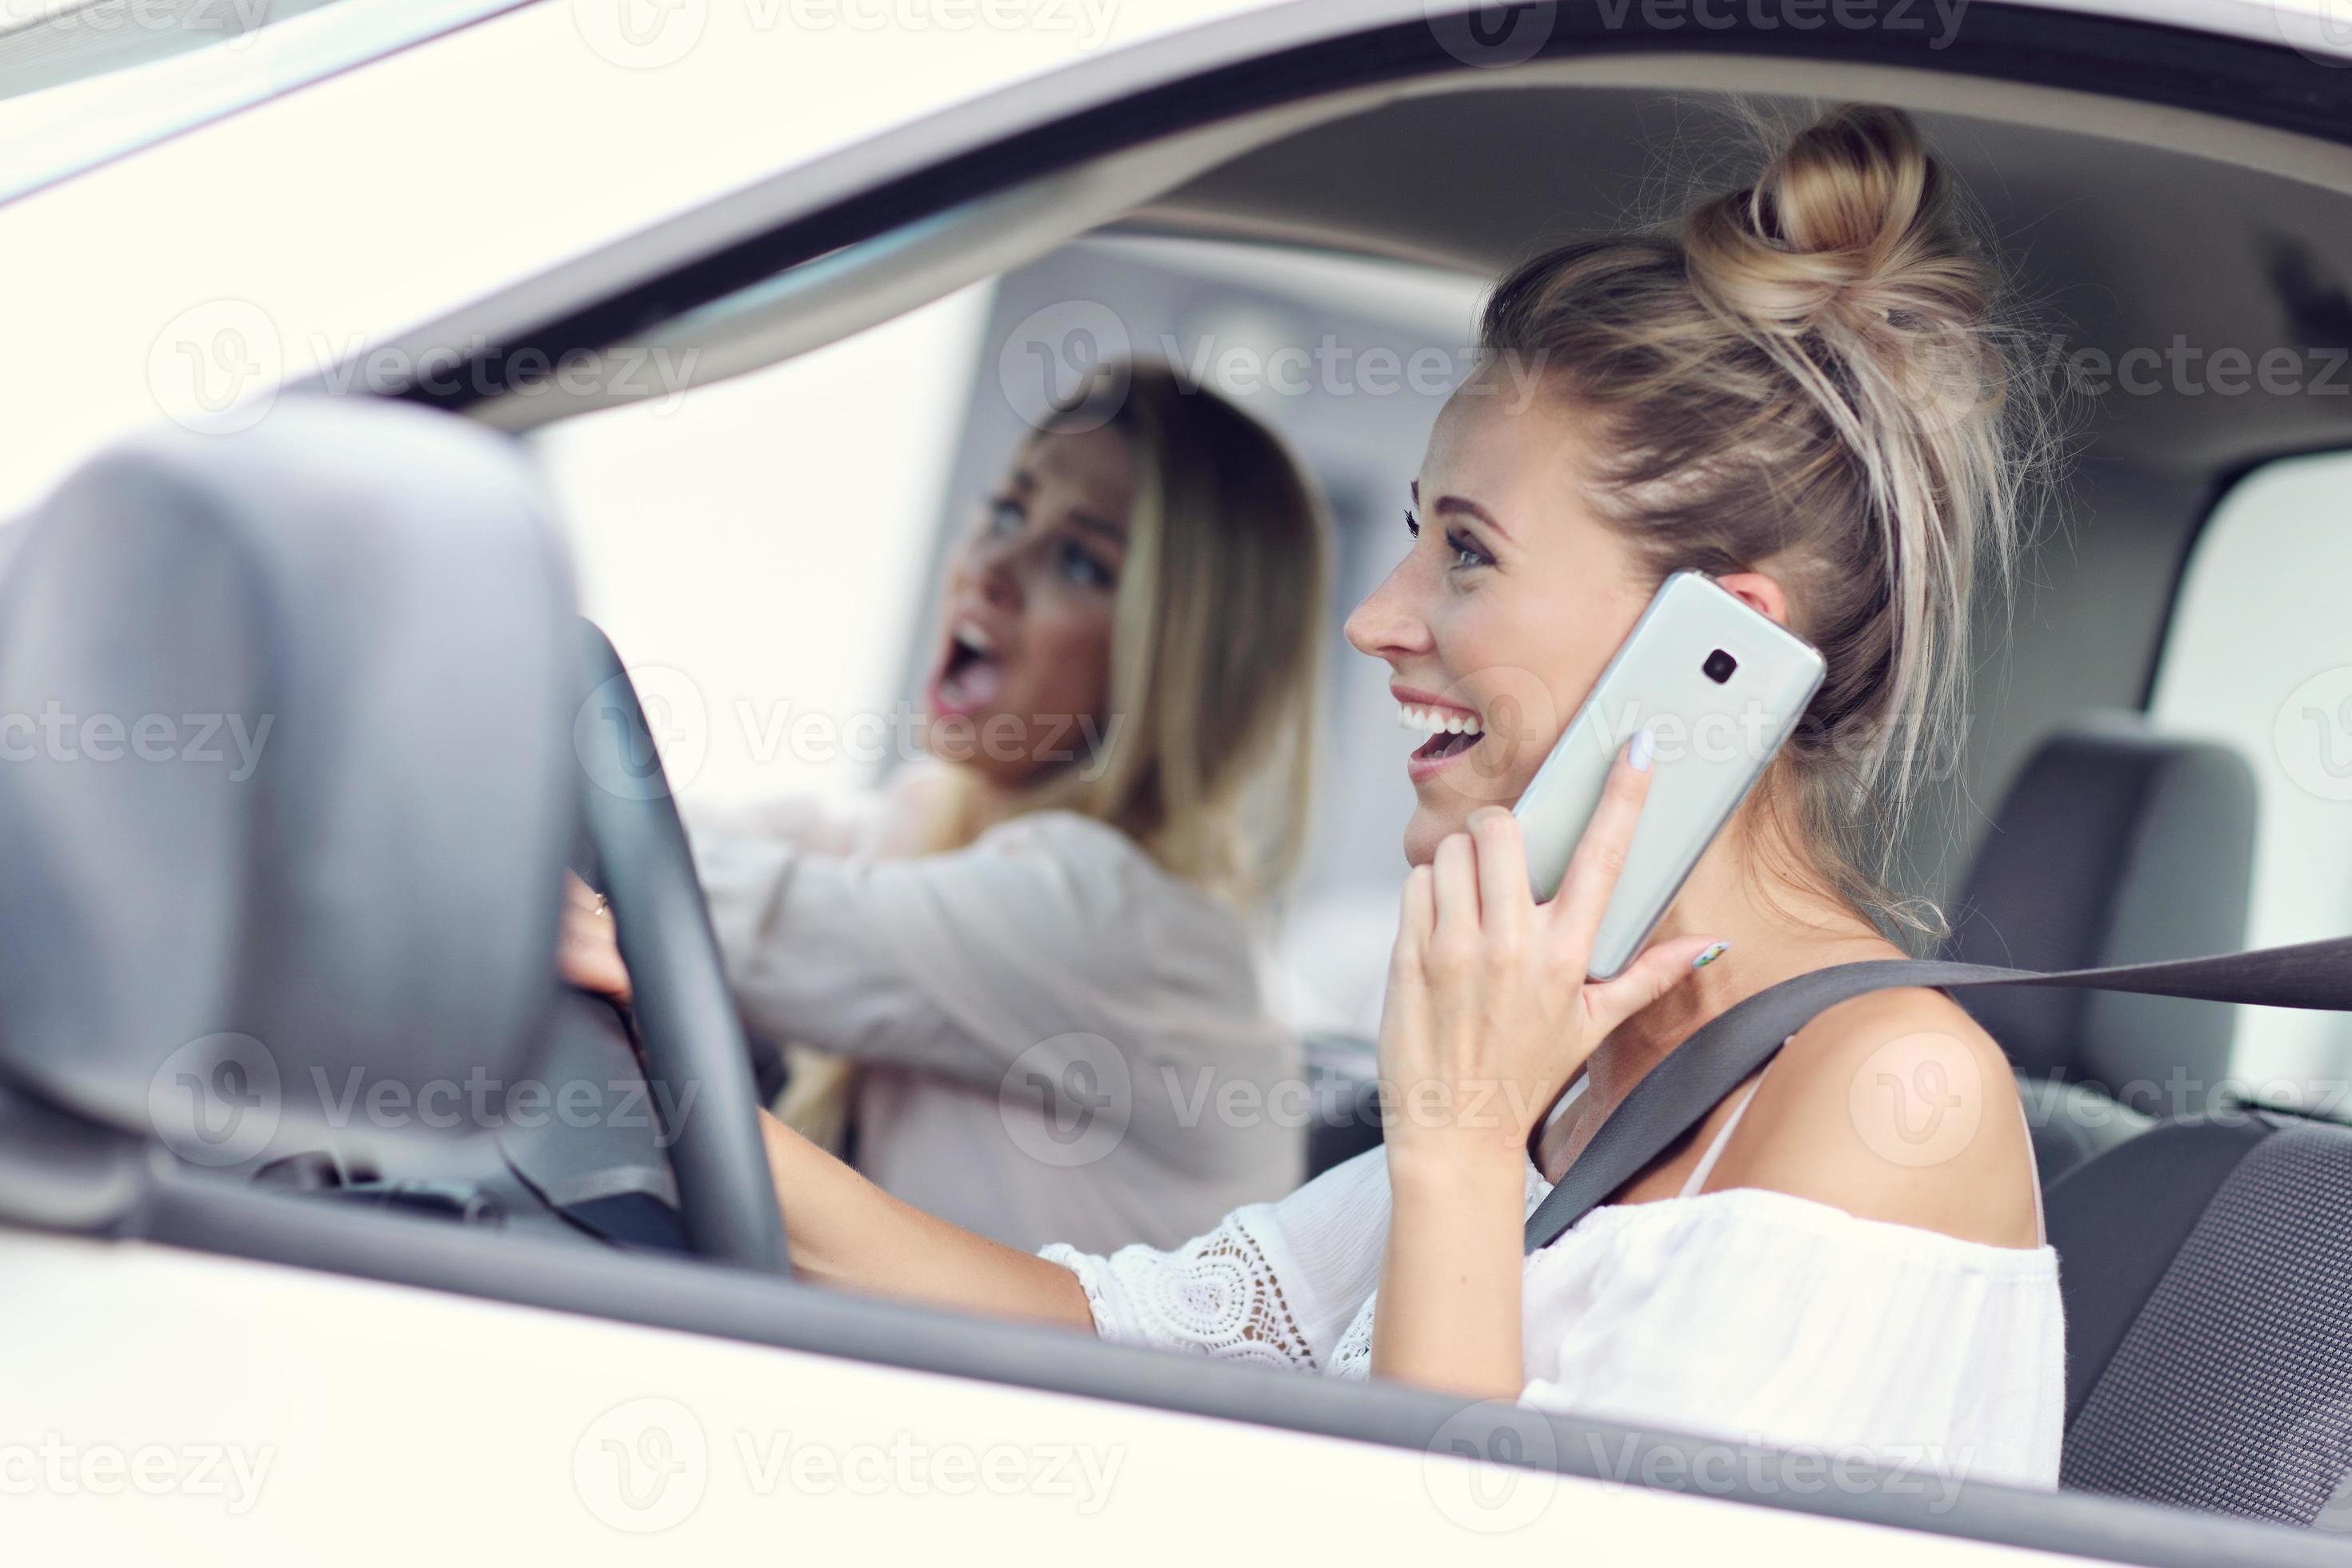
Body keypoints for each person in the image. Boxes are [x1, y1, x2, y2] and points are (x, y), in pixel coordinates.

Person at [594, 104, 2067, 1491]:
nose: (1376, 617)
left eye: (1469, 556)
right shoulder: (1565, 1065)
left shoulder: (1888, 1103)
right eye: (1420, 538)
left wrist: (1463, 1146)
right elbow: (1101, 1338)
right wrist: (654, 1041)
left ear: (1719, 647)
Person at [563, 362, 1330, 1254]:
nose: (995, 569)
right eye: (1007, 511)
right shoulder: (937, 821)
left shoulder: (1113, 916)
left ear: (1178, 659)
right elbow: (715, 842)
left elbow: (724, 906)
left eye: (1082, 562)